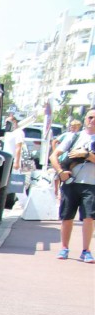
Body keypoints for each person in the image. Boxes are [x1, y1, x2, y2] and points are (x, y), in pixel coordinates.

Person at [51, 110, 95, 261]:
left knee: (89, 218)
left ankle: (86, 250)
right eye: (90, 117)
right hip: (71, 183)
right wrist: (60, 172)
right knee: (67, 217)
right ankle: (64, 248)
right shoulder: (74, 137)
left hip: (91, 184)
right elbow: (54, 156)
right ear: (85, 119)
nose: (92, 120)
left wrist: (87, 155)